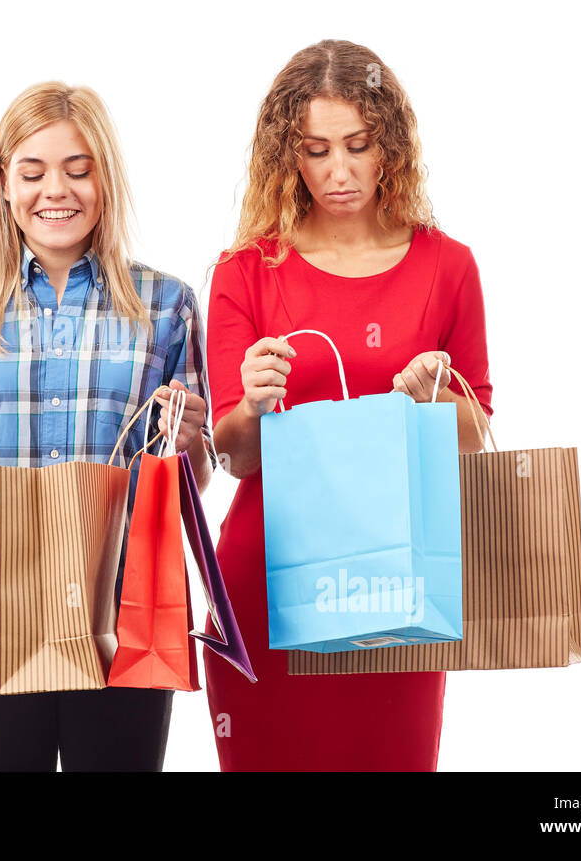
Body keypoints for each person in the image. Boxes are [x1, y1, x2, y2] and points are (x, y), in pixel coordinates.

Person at [0, 81, 216, 771]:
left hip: (121, 618)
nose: (58, 191)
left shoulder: (168, 307)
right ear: (4, 182)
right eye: (34, 171)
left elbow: (194, 483)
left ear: (106, 179)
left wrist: (192, 441)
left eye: (80, 170)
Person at [204, 39, 493, 771]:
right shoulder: (244, 271)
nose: (338, 172)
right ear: (287, 156)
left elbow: (475, 434)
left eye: (358, 146)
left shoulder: (447, 265)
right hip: (266, 581)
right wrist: (255, 402)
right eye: (316, 150)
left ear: (389, 145)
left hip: (399, 585)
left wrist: (433, 392)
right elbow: (233, 452)